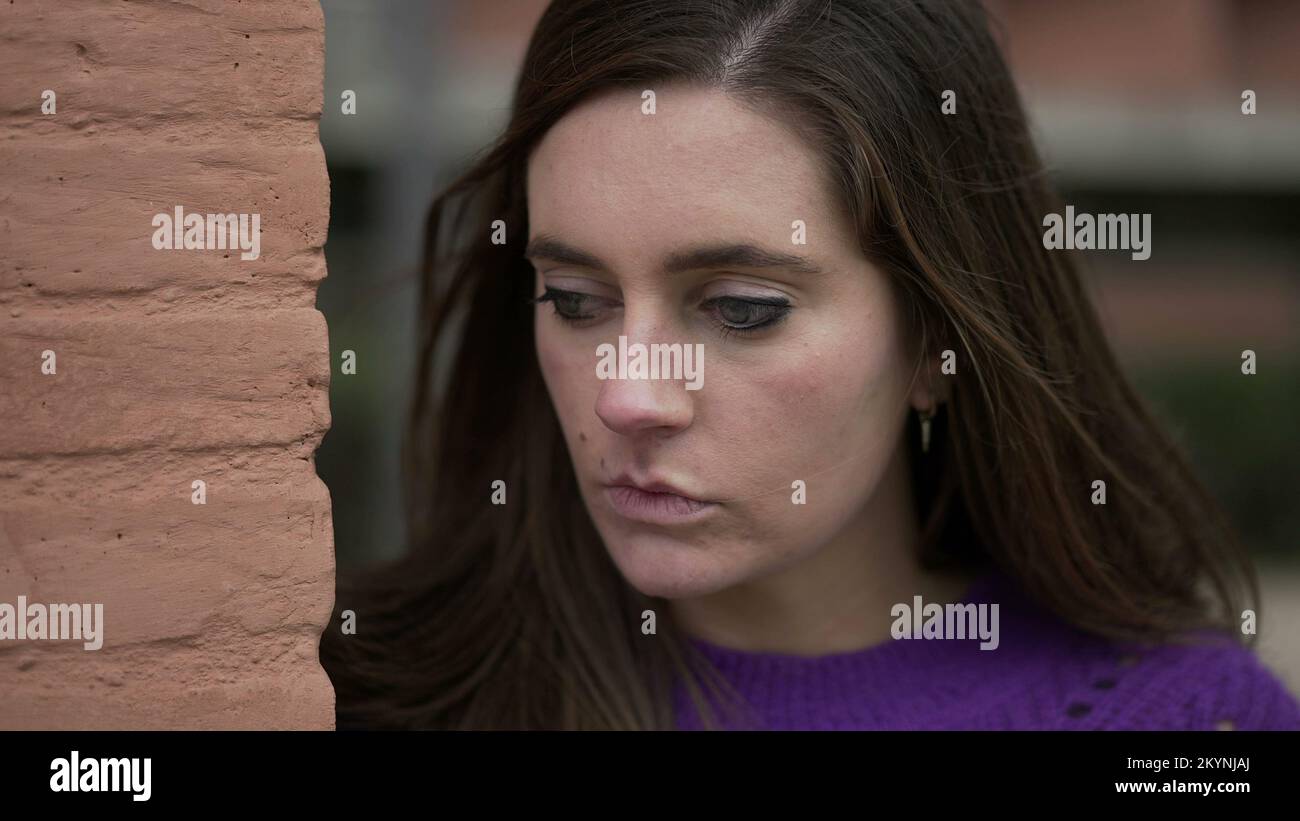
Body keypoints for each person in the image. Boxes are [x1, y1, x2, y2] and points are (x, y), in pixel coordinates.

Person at [321, 0, 1300, 730]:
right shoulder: (354, 689)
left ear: (935, 340)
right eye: (575, 301)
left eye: (743, 309)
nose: (626, 394)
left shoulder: (1182, 722)